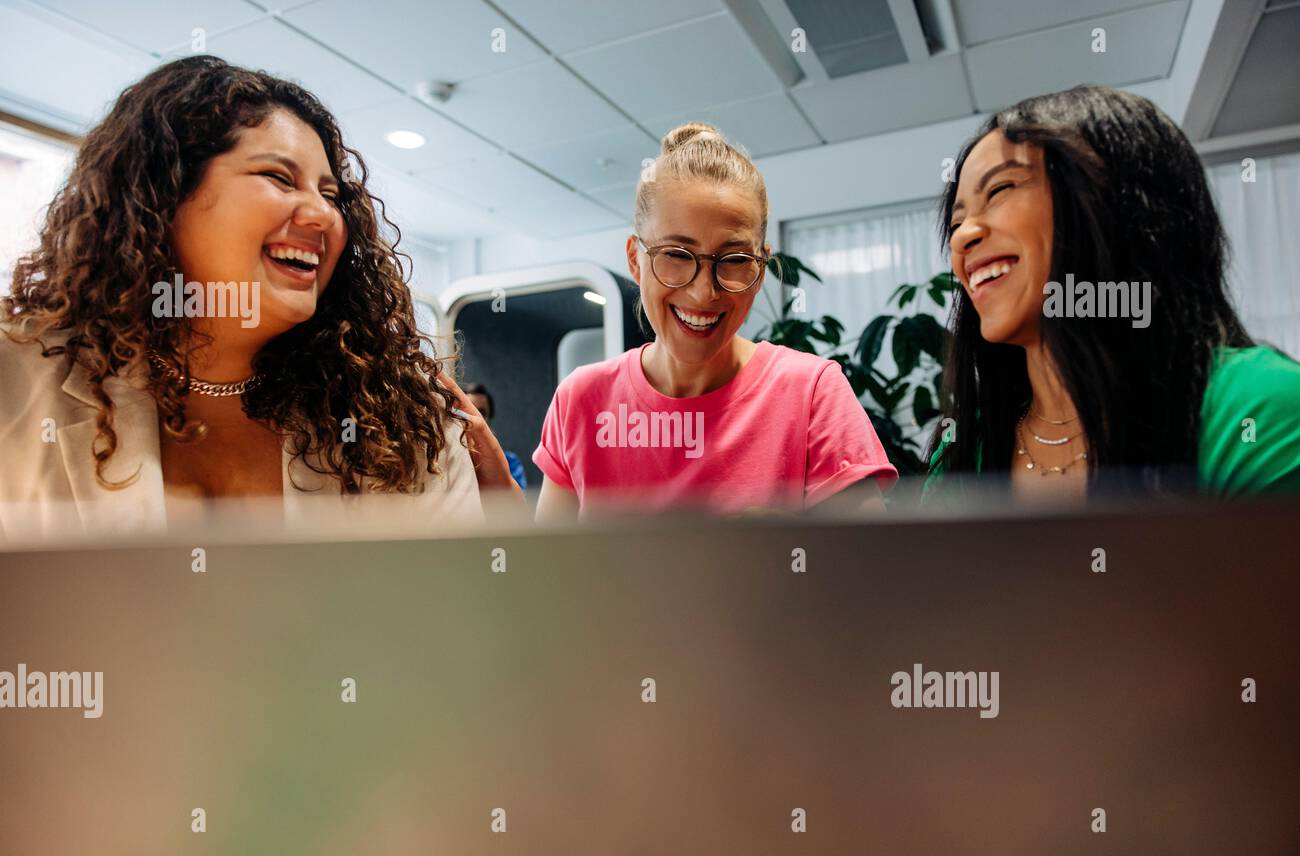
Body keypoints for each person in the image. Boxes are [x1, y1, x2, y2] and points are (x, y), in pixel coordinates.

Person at [0, 56, 517, 538]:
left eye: (331, 196)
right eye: (277, 177)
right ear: (163, 194)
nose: (322, 215)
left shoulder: (402, 421)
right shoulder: (16, 381)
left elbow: (449, 621)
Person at [926, 85, 1300, 501]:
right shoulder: (965, 450)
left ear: (1114, 202)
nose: (963, 238)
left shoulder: (1254, 408)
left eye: (999, 190)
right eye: (957, 221)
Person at [532, 123, 897, 519]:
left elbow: (872, 571)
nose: (705, 292)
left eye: (736, 260)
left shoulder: (812, 394)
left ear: (760, 268)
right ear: (636, 260)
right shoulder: (581, 402)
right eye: (676, 254)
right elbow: (550, 576)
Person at [463, 383, 527, 489]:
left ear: (489, 417)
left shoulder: (511, 462)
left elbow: (515, 503)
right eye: (470, 411)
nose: (476, 418)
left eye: (482, 412)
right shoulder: (453, 460)